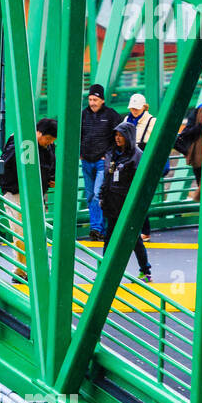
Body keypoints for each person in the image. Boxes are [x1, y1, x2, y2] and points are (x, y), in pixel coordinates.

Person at [0, 118, 57, 281]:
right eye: (48, 139)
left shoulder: (44, 145)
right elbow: (5, 165)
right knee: (21, 232)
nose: (49, 143)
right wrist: (8, 186)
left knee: (34, 231)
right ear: (38, 132)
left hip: (35, 193)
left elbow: (52, 164)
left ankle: (29, 269)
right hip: (17, 193)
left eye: (51, 140)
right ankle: (21, 270)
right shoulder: (21, 140)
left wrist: (51, 178)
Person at [98, 121, 153, 282]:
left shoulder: (137, 156)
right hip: (111, 203)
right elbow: (107, 178)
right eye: (116, 134)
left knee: (133, 239)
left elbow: (142, 182)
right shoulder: (112, 154)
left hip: (126, 205)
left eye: (121, 135)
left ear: (128, 136)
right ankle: (104, 271)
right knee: (109, 238)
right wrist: (102, 196)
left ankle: (145, 270)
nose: (117, 138)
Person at [79, 83, 121, 241]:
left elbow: (119, 135)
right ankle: (98, 228)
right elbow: (77, 134)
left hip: (102, 161)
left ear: (102, 100)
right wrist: (81, 153)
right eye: (90, 99)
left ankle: (96, 228)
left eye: (95, 99)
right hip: (87, 161)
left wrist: (109, 155)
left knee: (97, 194)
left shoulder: (111, 115)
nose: (92, 103)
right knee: (90, 196)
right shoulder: (83, 115)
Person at [124, 93, 163, 240]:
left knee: (139, 197)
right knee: (131, 196)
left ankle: (144, 230)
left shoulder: (152, 121)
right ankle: (139, 229)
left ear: (144, 107)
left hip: (142, 161)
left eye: (137, 108)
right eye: (132, 108)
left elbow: (158, 141)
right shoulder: (127, 119)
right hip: (130, 162)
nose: (134, 111)